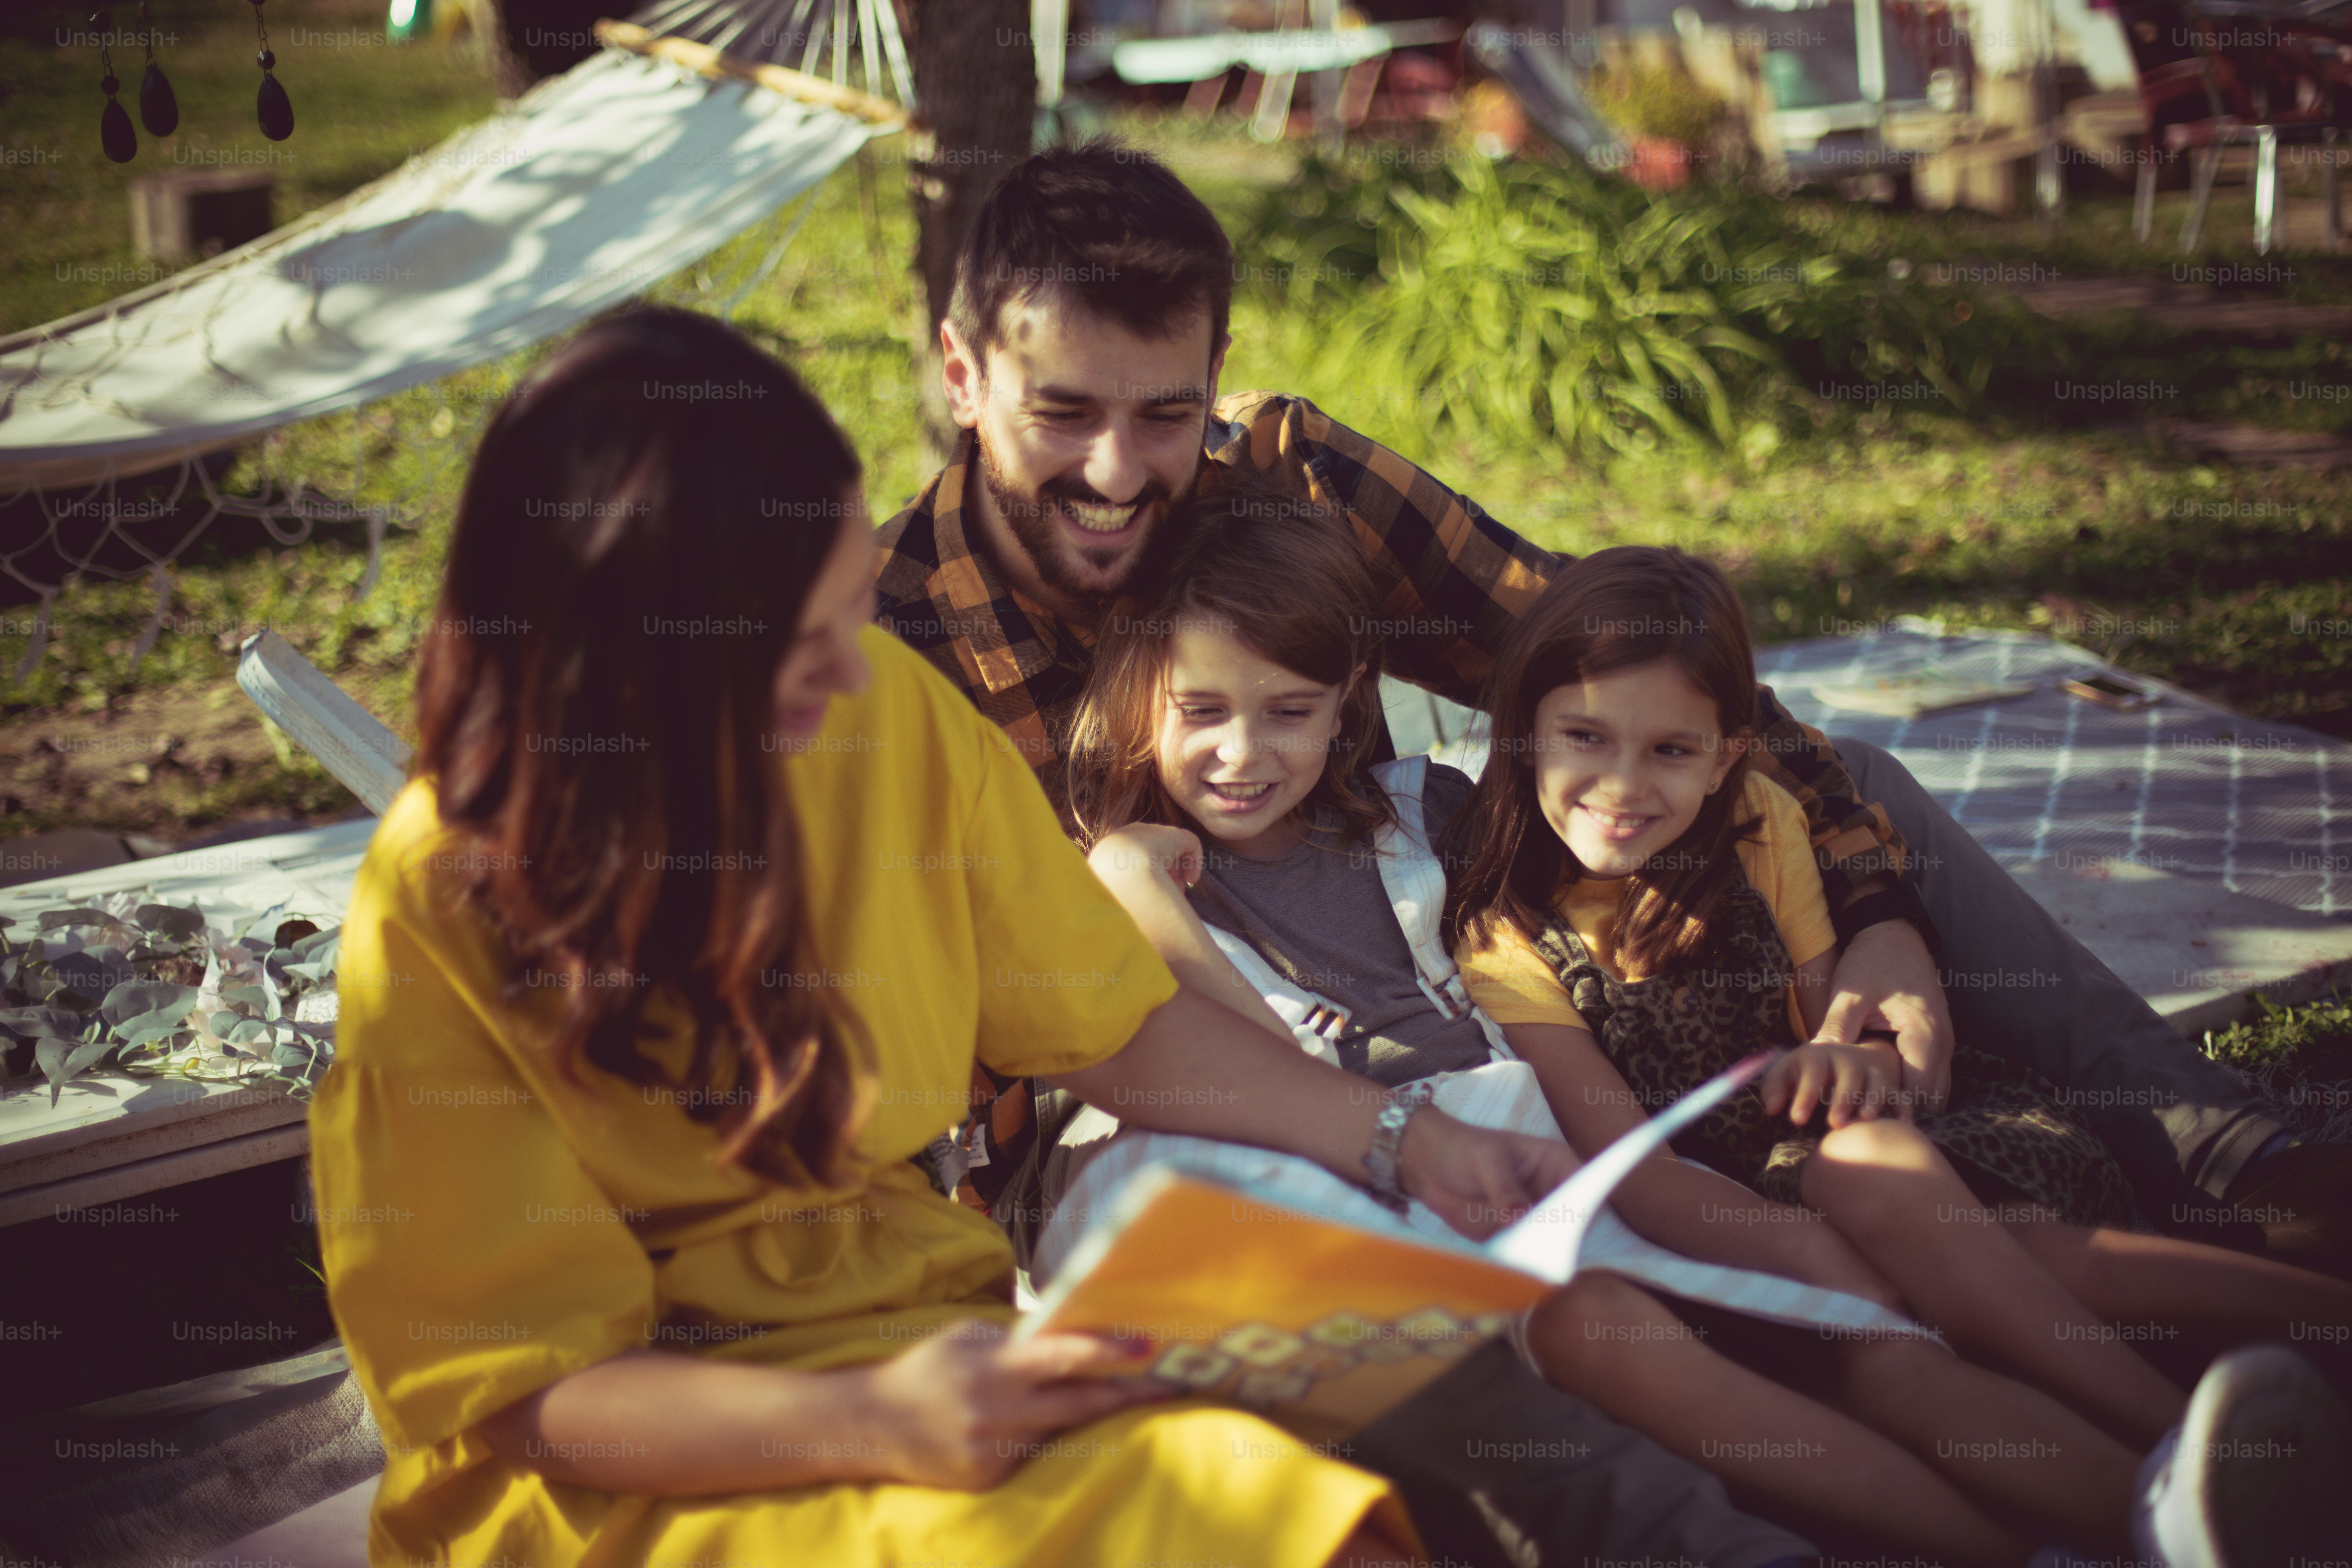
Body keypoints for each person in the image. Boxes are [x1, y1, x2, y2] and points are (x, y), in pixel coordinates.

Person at [870, 136, 2344, 1282]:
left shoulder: (1291, 477)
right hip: (1201, 1095)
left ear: (1213, 382)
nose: (1121, 473)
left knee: (1849, 780)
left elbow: (1630, 657)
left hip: (1474, 976)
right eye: (1063, 413)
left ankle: (2236, 1152)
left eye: (1167, 414)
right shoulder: (891, 644)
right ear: (961, 376)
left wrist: (1872, 905)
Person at [305, 305, 1624, 1566]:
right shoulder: (439, 900)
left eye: (843, 614)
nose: (846, 666)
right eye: (790, 643)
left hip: (930, 1348)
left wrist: (1398, 1133)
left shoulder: (884, 712)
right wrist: (873, 1420)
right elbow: (527, 1399)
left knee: (1301, 1514)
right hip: (650, 1467)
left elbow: (1113, 1021)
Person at [1046, 488, 2350, 1567]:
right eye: (1202, 712)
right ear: (1138, 696)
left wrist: (1870, 923)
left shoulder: (1416, 811)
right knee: (1624, 1338)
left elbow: (1698, 787)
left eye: (1289, 711)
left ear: (1345, 704)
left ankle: (2164, 1503)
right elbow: (1251, 1065)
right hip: (1404, 1199)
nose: (1243, 754)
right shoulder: (1124, 895)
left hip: (1582, 1163)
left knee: (1891, 1346)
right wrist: (1128, 881)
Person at [1443, 543, 2351, 1565]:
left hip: (1896, 1159)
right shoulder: (1504, 926)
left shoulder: (1759, 824)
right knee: (1928, 1347)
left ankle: (2204, 1427)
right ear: (1524, 734)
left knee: (1884, 1175)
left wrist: (1847, 1062)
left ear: (1729, 751)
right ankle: (2171, 1501)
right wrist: (1820, 1268)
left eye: (1671, 751)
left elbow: (1846, 1027)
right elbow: (1642, 1175)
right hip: (1735, 1235)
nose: (1621, 786)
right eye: (1584, 738)